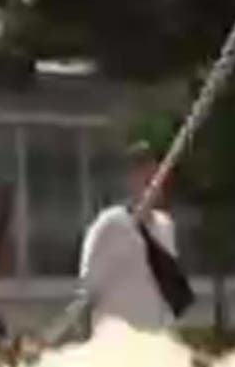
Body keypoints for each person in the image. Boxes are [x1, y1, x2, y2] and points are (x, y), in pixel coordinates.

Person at [62, 140, 187, 338]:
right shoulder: (110, 224)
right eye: (146, 177)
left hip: (155, 342)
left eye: (157, 175)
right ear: (131, 180)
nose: (156, 182)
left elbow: (167, 291)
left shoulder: (165, 226)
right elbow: (86, 292)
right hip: (117, 344)